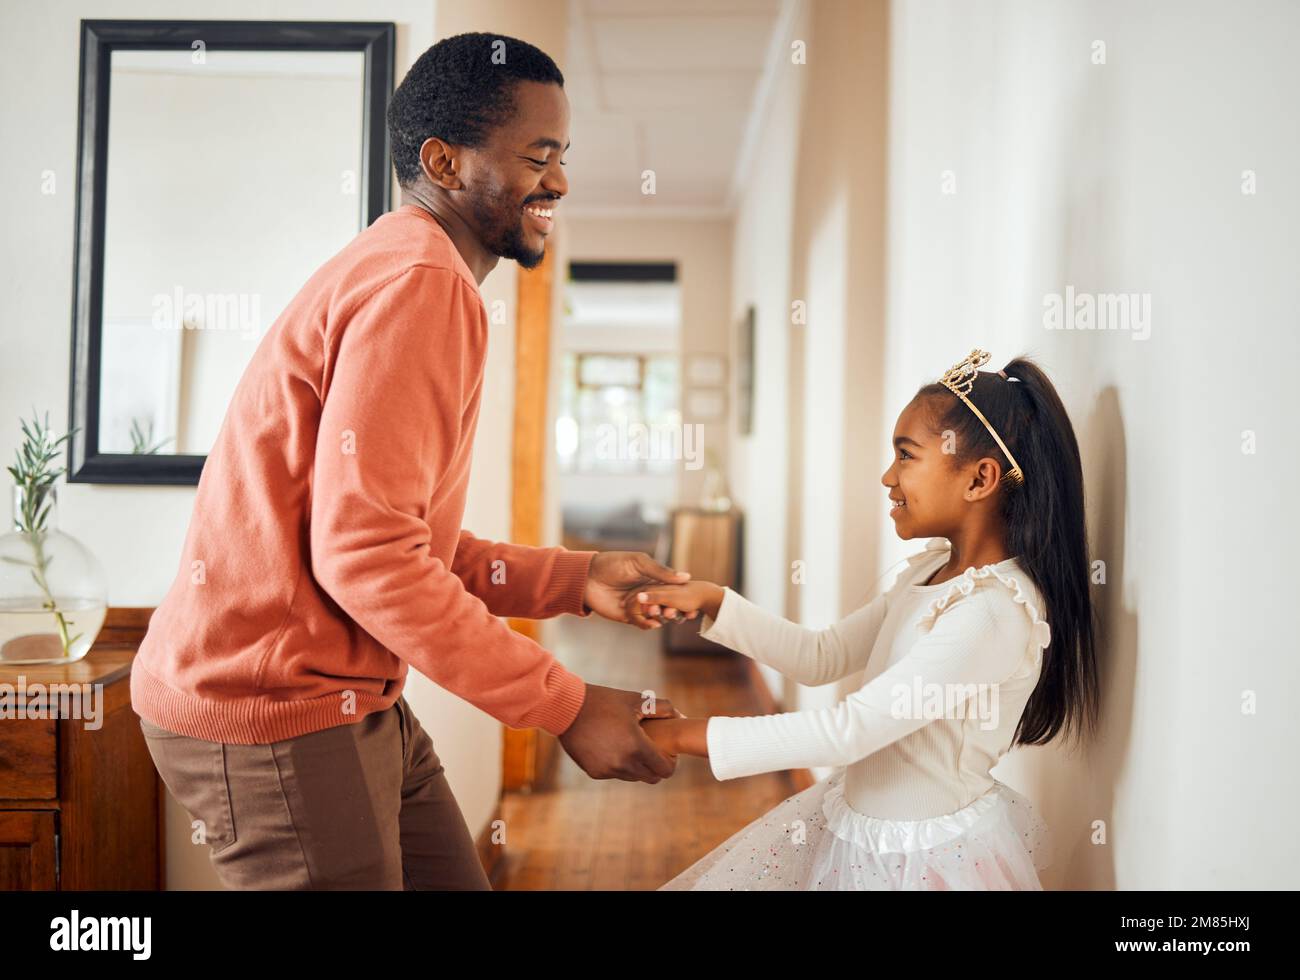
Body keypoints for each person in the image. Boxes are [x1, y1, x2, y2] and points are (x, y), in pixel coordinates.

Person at [131, 32, 689, 891]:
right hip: (274, 710)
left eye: (564, 157)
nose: (561, 182)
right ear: (445, 161)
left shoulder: (412, 269)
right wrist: (567, 706)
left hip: (353, 696)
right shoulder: (421, 284)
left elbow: (394, 543)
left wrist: (573, 579)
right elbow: (369, 559)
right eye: (540, 156)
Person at [635, 350, 1100, 890]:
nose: (887, 476)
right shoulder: (928, 573)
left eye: (906, 456)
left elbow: (848, 732)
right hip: (863, 840)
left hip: (923, 863)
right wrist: (717, 602)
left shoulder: (992, 612)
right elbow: (821, 656)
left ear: (980, 479)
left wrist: (679, 736)